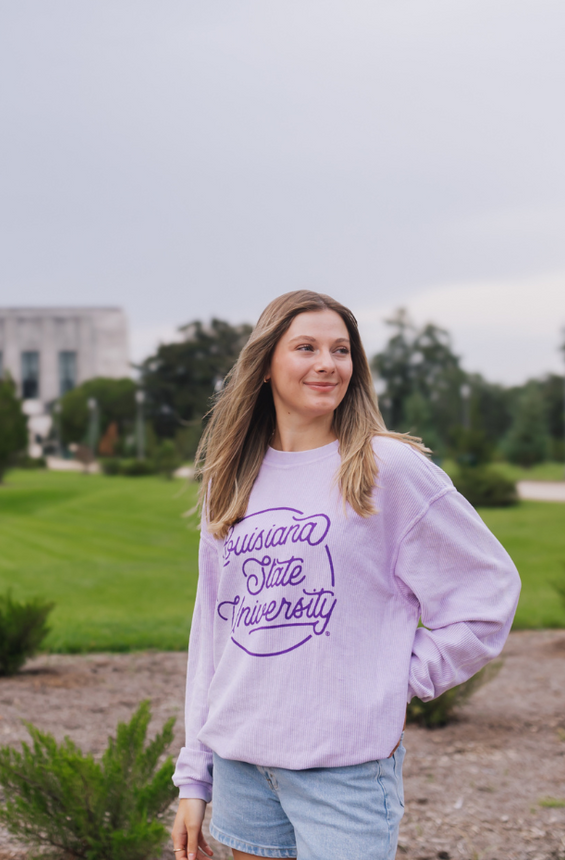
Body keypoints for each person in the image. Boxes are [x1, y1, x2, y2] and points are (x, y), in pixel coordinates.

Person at [171, 290, 520, 860]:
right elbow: (212, 634)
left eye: (341, 350)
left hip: (342, 773)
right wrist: (196, 777)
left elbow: (488, 592)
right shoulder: (230, 479)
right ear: (264, 366)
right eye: (306, 347)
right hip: (242, 763)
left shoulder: (387, 469)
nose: (327, 364)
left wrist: (396, 679)